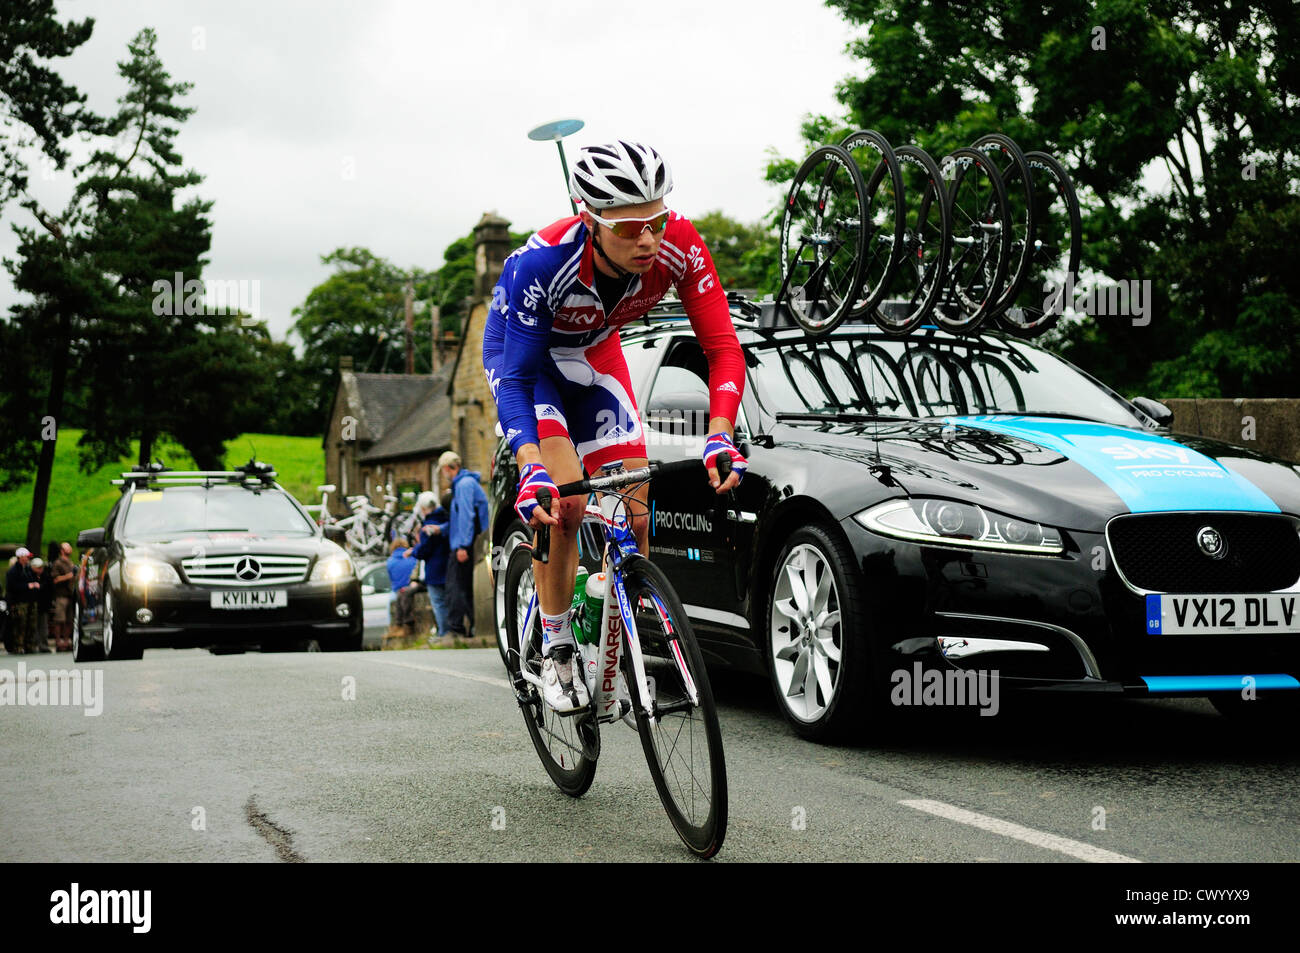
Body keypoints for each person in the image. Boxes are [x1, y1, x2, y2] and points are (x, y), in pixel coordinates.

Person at [482, 140, 748, 712]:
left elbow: (722, 346)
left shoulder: (679, 244)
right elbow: (518, 381)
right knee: (568, 501)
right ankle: (554, 649)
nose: (647, 239)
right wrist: (532, 468)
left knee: (635, 502)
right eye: (629, 229)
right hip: (526, 363)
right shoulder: (543, 263)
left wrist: (720, 432)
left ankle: (620, 636)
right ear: (590, 217)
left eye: (654, 220)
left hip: (595, 352)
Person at [438, 450, 489, 640]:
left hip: (464, 545)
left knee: (455, 586)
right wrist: (441, 530)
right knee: (464, 586)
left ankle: (456, 628)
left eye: (443, 470)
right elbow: (459, 519)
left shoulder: (464, 485)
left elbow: (467, 517)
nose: (443, 474)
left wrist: (462, 546)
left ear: (448, 468)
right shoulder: (465, 484)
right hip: (465, 542)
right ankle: (470, 627)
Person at [406, 489, 451, 639]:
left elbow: (424, 550)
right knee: (449, 601)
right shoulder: (446, 519)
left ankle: (443, 633)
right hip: (448, 566)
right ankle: (451, 630)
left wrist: (413, 551)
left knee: (438, 602)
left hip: (434, 569)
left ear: (424, 508)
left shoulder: (428, 526)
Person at [5, 548, 41, 655]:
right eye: (26, 557)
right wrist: (27, 586)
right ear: (20, 557)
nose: (28, 559)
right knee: (20, 624)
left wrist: (35, 583)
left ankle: (29, 645)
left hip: (30, 600)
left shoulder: (28, 569)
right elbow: (12, 587)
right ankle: (18, 646)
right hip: (19, 602)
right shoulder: (13, 571)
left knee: (31, 624)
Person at [385, 538, 419, 635]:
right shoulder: (413, 558)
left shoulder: (390, 561)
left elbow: (392, 579)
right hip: (411, 587)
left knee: (390, 602)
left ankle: (393, 626)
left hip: (397, 590)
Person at [50, 542, 76, 651]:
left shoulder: (70, 563)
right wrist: (69, 576)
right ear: (62, 550)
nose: (70, 549)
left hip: (71, 595)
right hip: (61, 595)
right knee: (59, 619)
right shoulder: (58, 563)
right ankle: (58, 641)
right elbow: (55, 579)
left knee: (69, 620)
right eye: (67, 548)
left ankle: (66, 641)